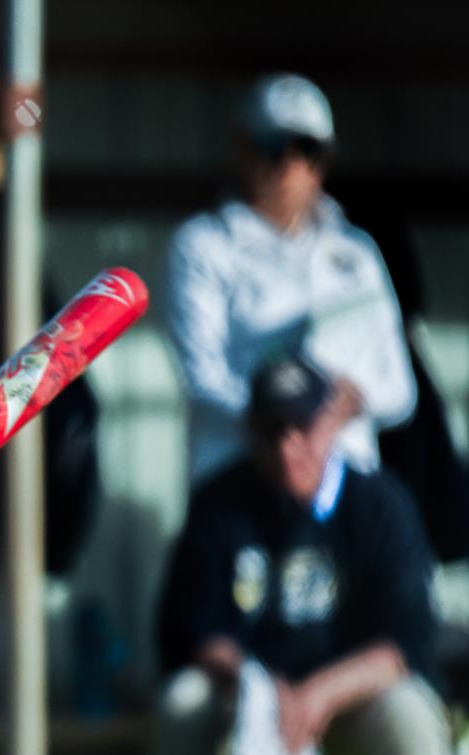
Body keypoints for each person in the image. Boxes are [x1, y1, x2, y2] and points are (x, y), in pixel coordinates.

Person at [153, 354, 451, 755]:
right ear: (252, 433)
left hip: (350, 698)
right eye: (272, 430)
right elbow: (188, 627)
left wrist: (318, 695)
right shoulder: (221, 503)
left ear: (332, 424)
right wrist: (258, 687)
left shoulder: (378, 503)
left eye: (302, 427)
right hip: (250, 698)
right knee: (181, 703)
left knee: (413, 715)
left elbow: (407, 640)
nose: (290, 445)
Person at [163, 73, 416, 488]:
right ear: (242, 148)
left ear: (325, 160)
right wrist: (289, 416)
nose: (290, 164)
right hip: (240, 484)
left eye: (307, 149)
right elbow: (201, 377)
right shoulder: (202, 245)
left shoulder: (357, 251)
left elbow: (400, 392)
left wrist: (353, 401)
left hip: (347, 490)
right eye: (272, 146)